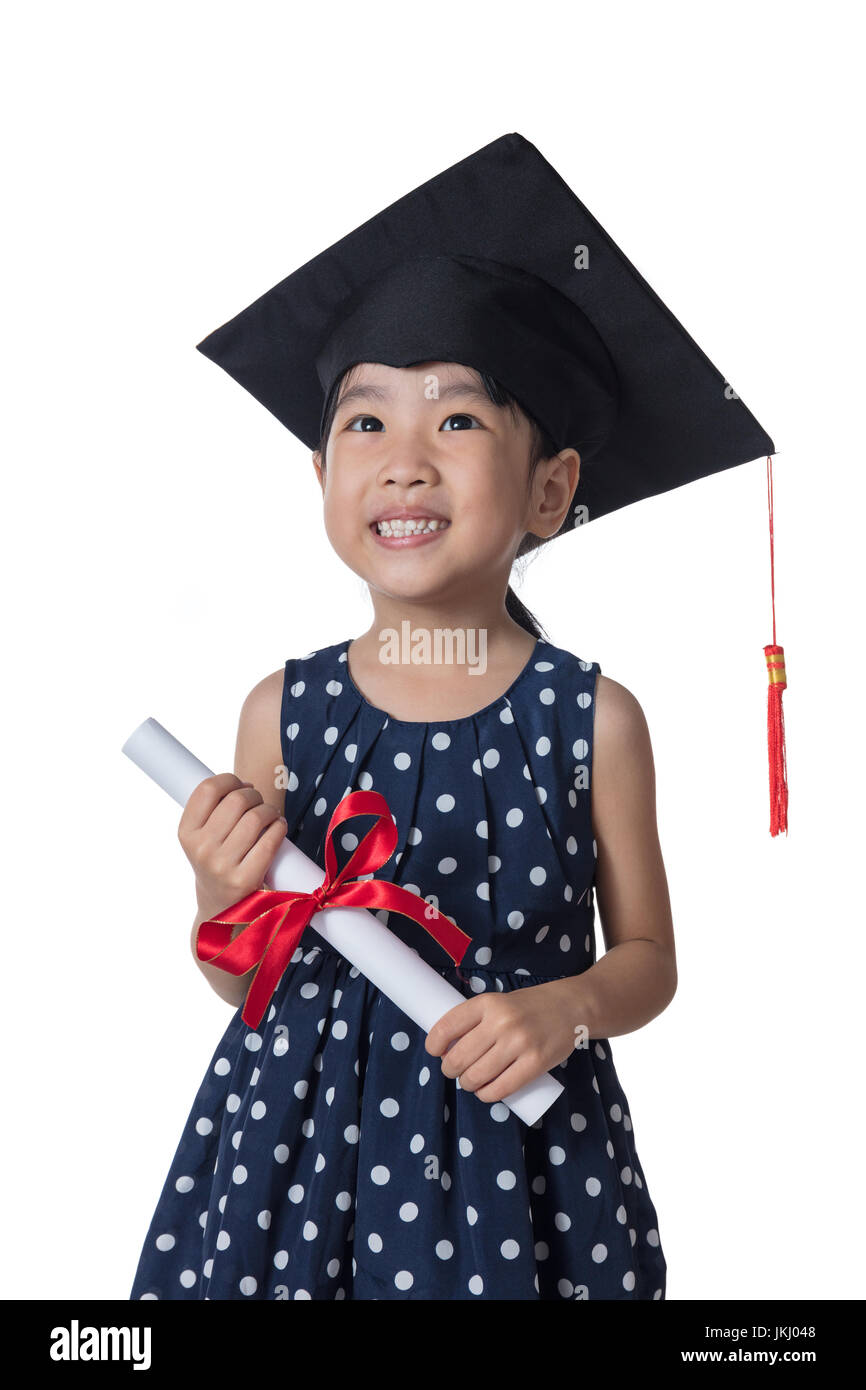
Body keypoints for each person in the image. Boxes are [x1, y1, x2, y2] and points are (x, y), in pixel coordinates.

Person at [128, 133, 775, 1300]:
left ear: (549, 488)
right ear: (318, 474)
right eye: (363, 423)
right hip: (293, 1155)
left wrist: (566, 1006)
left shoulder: (591, 719)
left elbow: (647, 959)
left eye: (458, 422)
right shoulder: (282, 710)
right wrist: (221, 893)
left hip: (515, 1156)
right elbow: (249, 981)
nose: (404, 463)